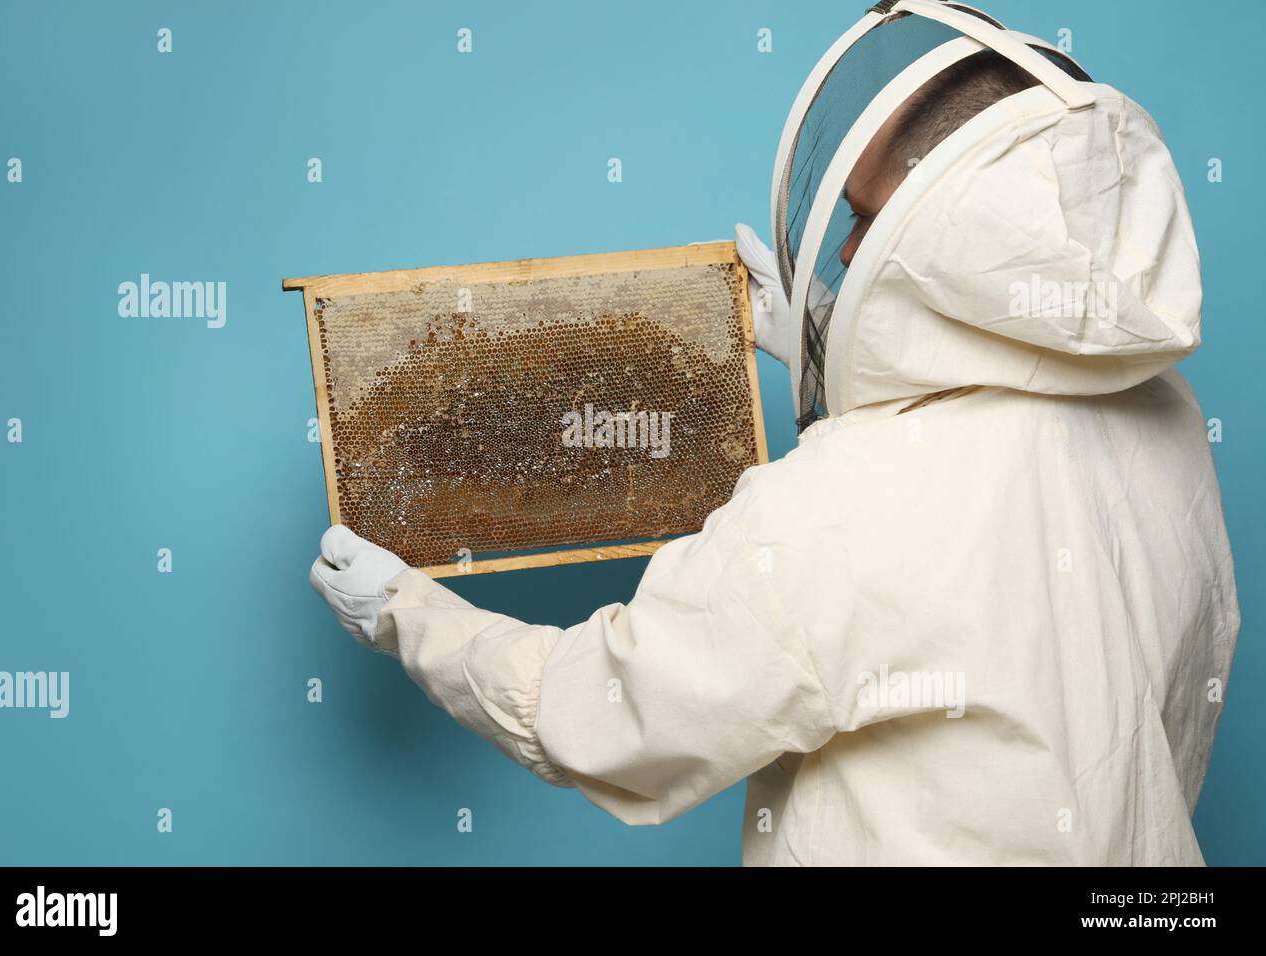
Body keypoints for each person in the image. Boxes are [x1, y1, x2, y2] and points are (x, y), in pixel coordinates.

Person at [310, 2, 1239, 865]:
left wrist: (410, 615)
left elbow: (602, 713)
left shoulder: (837, 509)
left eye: (871, 219)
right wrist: (820, 339)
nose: (842, 248)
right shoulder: (1170, 416)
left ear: (956, 242)